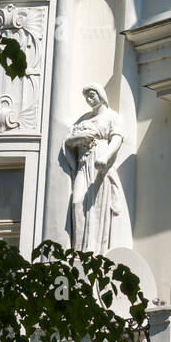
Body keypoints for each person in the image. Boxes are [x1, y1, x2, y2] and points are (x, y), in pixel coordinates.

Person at [61, 83, 125, 253]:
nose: (89, 99)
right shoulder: (83, 119)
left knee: (95, 206)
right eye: (87, 96)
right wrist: (78, 138)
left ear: (101, 95)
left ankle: (93, 251)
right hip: (83, 163)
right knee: (77, 202)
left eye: (92, 95)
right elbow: (68, 141)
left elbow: (117, 138)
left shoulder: (112, 116)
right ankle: (78, 250)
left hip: (99, 162)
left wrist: (105, 156)